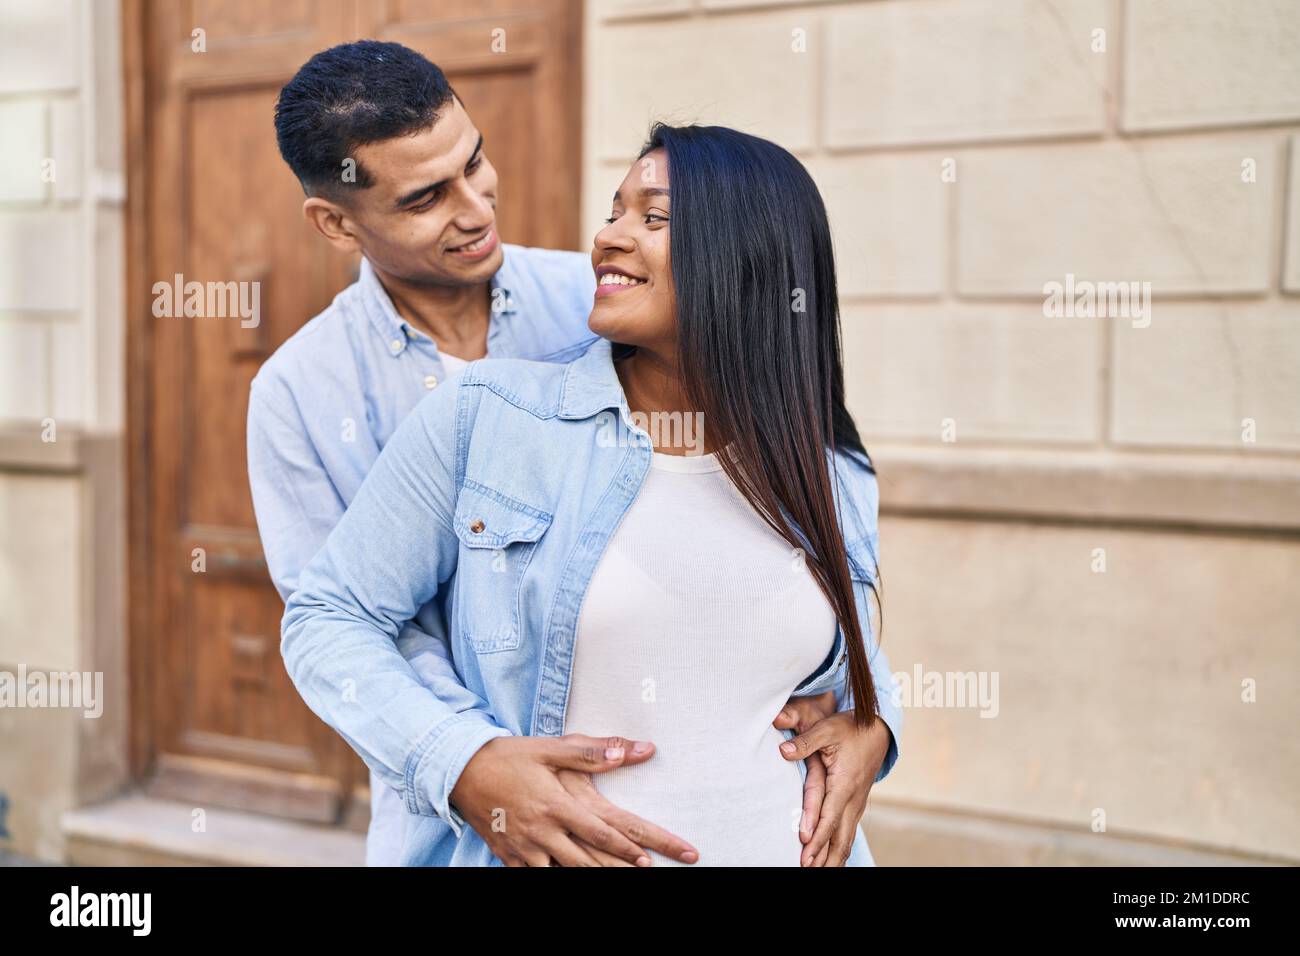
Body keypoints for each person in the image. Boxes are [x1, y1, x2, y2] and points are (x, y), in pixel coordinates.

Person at [251, 42, 876, 866]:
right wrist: (469, 760)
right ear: (337, 221)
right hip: (471, 815)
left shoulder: (591, 301)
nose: (476, 210)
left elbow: (832, 601)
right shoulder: (310, 394)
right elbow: (339, 621)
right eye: (428, 197)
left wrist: (876, 714)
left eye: (476, 164)